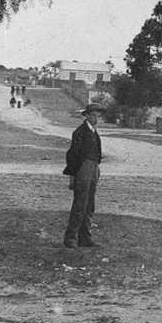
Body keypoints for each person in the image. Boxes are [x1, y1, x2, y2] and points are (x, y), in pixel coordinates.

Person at [62, 103, 106, 248]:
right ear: (86, 115)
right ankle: (70, 238)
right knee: (80, 204)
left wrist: (95, 167)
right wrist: (73, 174)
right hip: (83, 168)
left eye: (98, 116)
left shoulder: (94, 132)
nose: (96, 119)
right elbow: (73, 155)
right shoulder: (79, 132)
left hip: (94, 168)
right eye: (93, 116)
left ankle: (85, 237)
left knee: (90, 205)